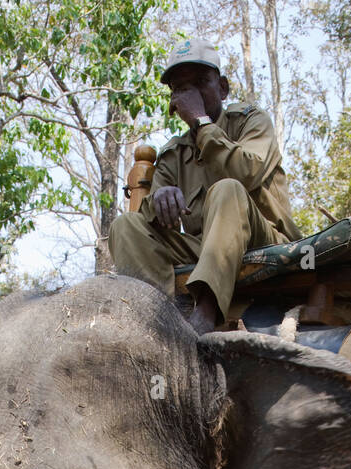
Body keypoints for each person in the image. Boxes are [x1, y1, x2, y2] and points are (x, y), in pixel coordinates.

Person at [109, 38, 302, 334]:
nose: (191, 95)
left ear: (222, 88)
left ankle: (206, 313)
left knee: (227, 189)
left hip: (265, 242)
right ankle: (158, 322)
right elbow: (147, 221)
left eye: (200, 83)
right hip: (206, 253)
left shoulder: (252, 122)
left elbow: (245, 173)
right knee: (125, 226)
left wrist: (201, 122)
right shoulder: (174, 153)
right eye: (181, 89)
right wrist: (160, 197)